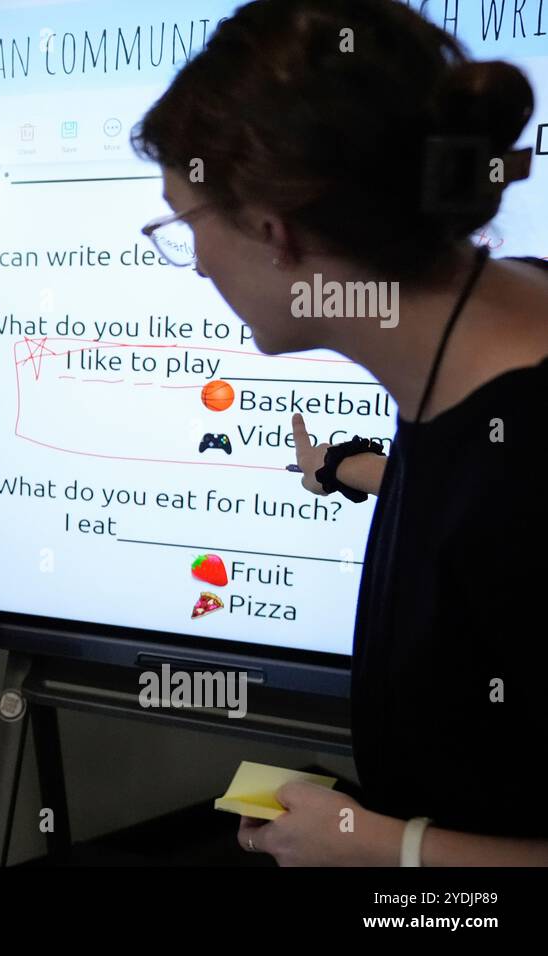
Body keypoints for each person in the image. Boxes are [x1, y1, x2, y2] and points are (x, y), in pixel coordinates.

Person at [132, 0, 548, 865]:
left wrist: (387, 849)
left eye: (184, 223)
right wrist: (354, 470)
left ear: (276, 233)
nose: (198, 261)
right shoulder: (494, 325)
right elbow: (464, 499)